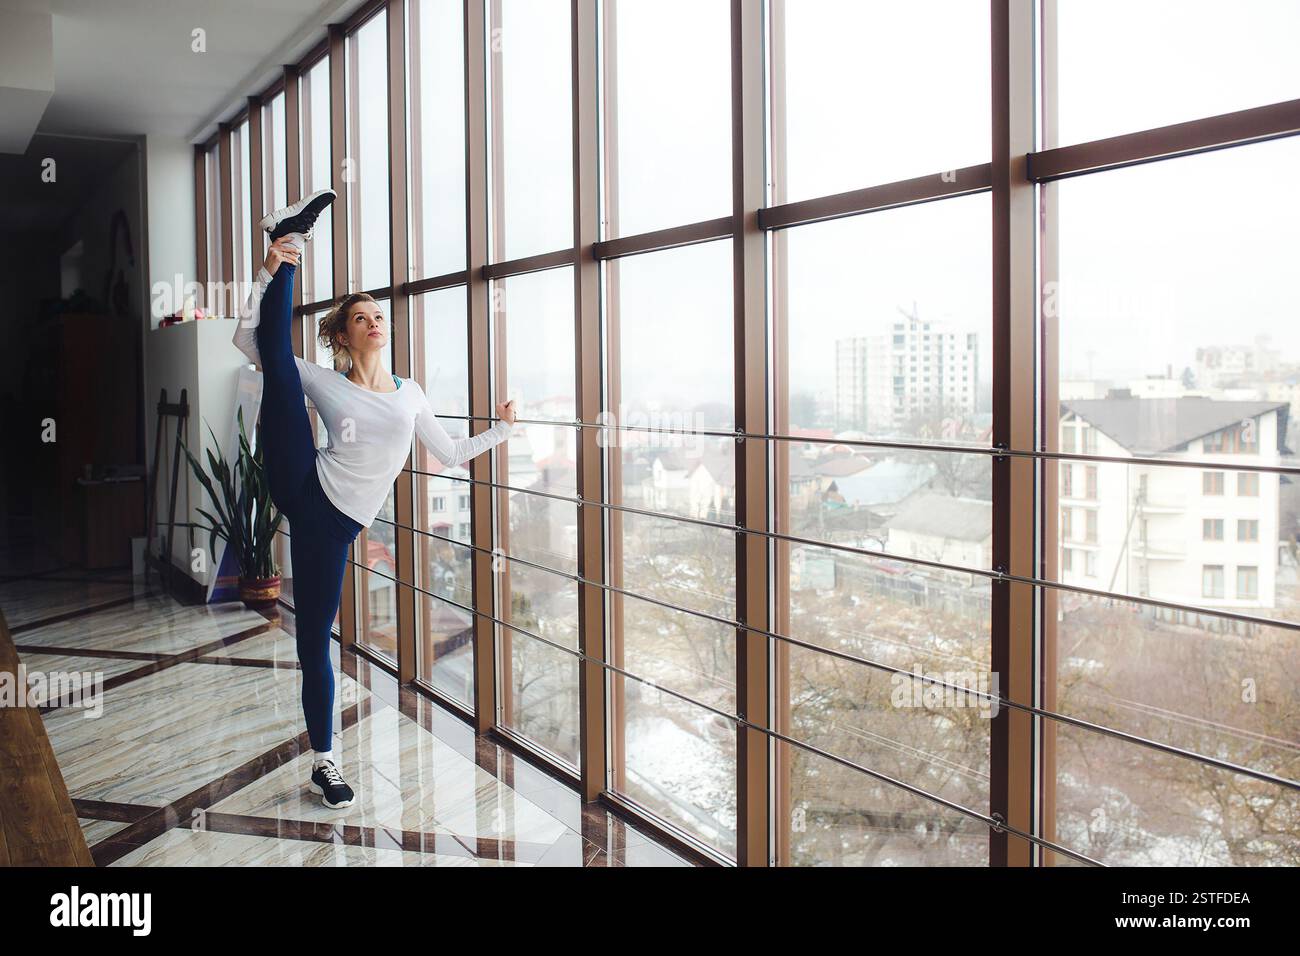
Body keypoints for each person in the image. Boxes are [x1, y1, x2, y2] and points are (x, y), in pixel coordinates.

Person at [231, 188, 515, 808]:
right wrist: (268, 274)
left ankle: (321, 764)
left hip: (331, 528)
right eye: (361, 317)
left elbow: (450, 453)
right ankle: (287, 245)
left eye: (379, 314)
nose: (374, 320)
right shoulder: (327, 382)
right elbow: (250, 347)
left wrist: (503, 430)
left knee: (313, 640)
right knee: (279, 363)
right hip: (302, 480)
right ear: (345, 334)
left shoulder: (410, 394)